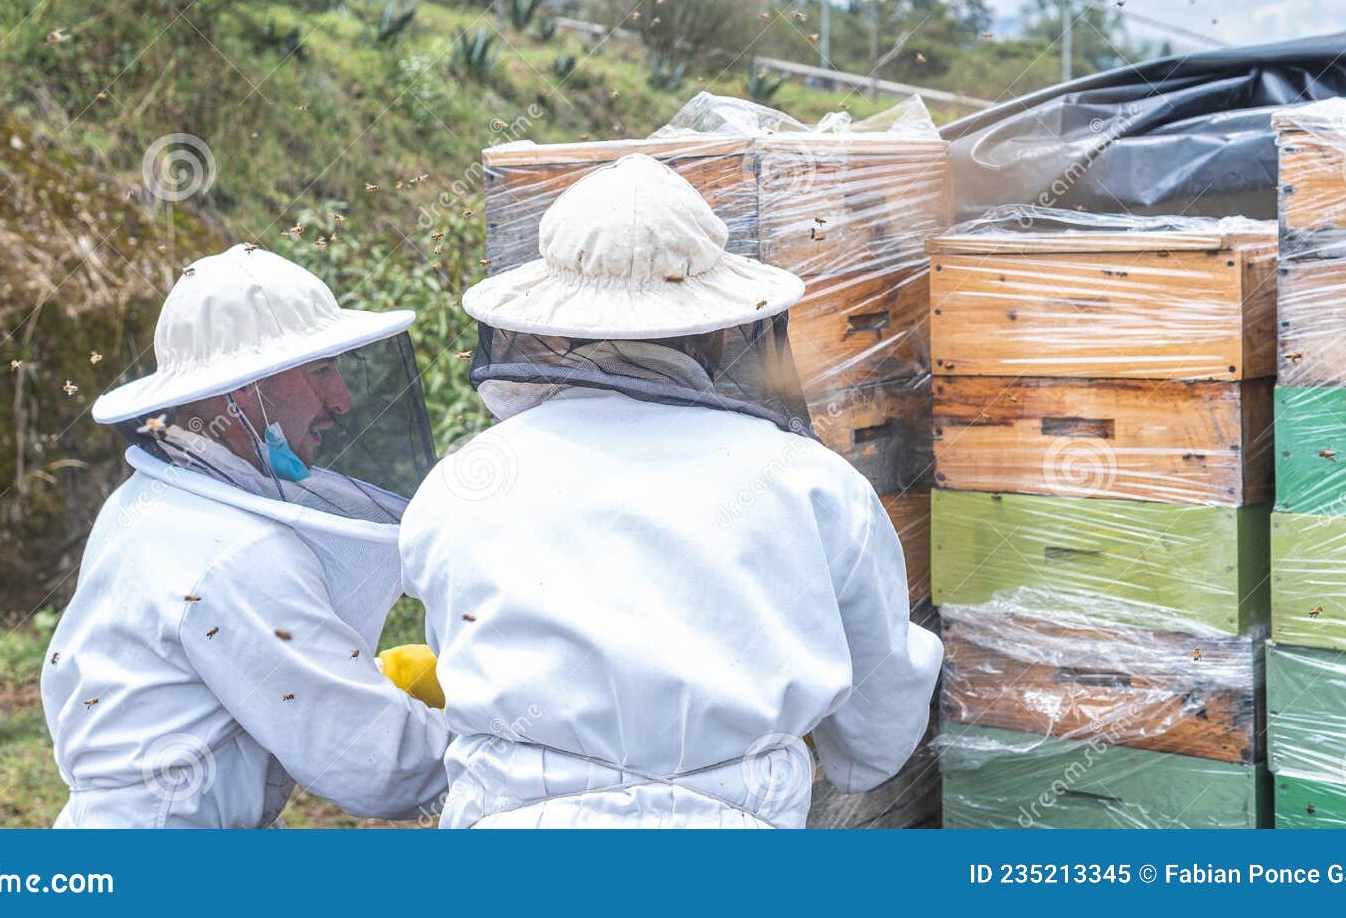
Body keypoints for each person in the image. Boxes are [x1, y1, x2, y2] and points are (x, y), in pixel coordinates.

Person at [399, 154, 943, 828]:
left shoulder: (463, 485)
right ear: (721, 327)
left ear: (554, 326)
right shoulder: (812, 486)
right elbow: (879, 731)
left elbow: (458, 650)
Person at [41, 245, 449, 828]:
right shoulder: (234, 551)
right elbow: (380, 766)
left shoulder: (150, 501)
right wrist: (515, 737)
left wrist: (363, 677)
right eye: (319, 372)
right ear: (240, 392)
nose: (341, 400)